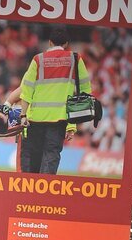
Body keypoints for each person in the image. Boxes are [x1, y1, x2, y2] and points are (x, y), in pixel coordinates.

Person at [18, 27, 92, 174]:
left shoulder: (38, 60)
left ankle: (30, 191)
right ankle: (45, 193)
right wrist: (72, 126)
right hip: (59, 119)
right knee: (51, 155)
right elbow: (84, 92)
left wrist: (23, 115)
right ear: (66, 44)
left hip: (36, 119)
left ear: (50, 43)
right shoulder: (75, 59)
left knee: (35, 157)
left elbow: (26, 90)